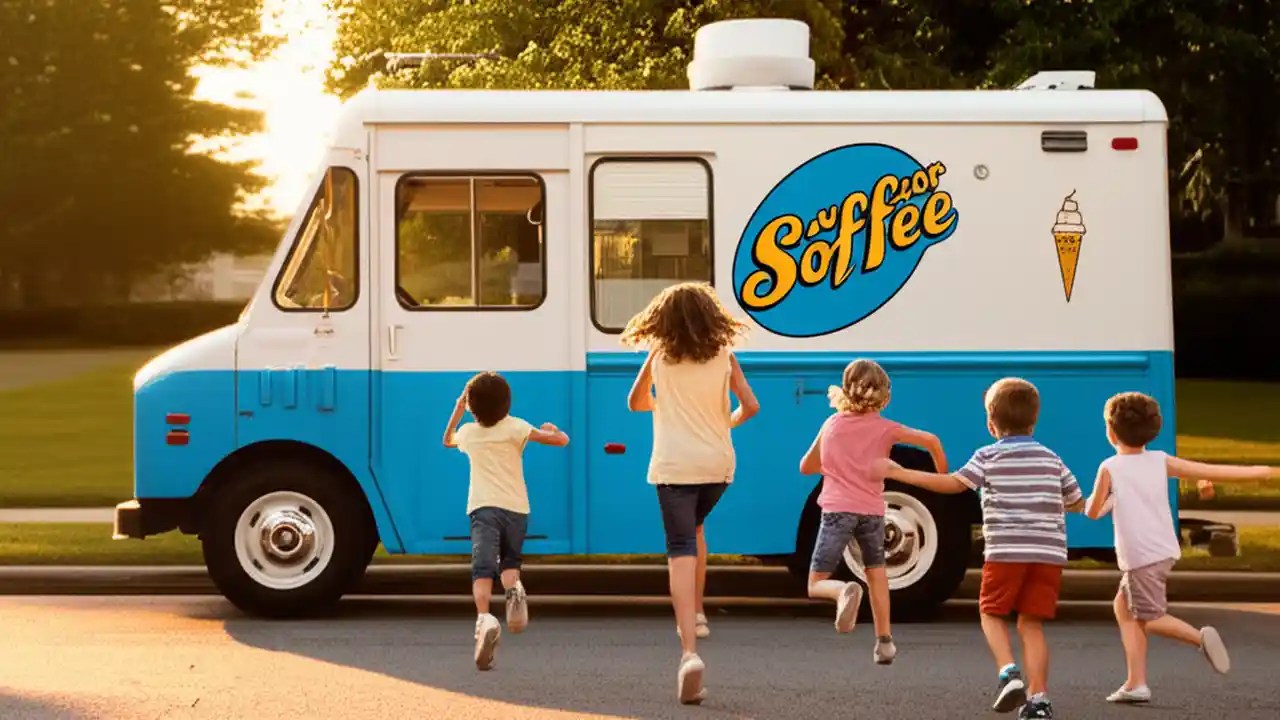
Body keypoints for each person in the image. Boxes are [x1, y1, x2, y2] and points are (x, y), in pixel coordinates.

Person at [883, 378, 1083, 719]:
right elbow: (1075, 501)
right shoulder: (1052, 458)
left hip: (1006, 552)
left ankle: (1008, 672)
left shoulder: (987, 456)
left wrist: (903, 474)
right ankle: (1040, 701)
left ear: (991, 424)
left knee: (991, 613)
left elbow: (953, 484)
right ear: (1034, 421)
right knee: (1031, 625)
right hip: (1048, 555)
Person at [1084, 391, 1278, 704]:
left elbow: (1092, 511)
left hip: (1140, 556)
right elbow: (1211, 471)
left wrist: (1101, 503)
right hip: (1163, 550)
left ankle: (1199, 638)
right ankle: (1136, 683)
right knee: (1124, 606)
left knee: (1149, 617)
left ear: (1110, 431)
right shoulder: (1161, 460)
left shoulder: (1110, 467)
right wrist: (1262, 473)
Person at [622, 281, 760, 705]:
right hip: (718, 467)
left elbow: (635, 403)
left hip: (674, 466)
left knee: (680, 545)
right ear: (709, 316)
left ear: (663, 319)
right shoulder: (725, 356)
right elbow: (751, 406)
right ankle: (698, 613)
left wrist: (663, 405)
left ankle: (688, 653)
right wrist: (724, 423)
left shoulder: (658, 357)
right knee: (697, 528)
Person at [797, 359, 946, 664]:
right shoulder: (886, 429)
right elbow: (931, 440)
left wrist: (835, 463)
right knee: (877, 575)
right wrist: (942, 475)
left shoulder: (832, 425)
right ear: (885, 398)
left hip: (837, 512)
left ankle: (841, 592)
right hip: (873, 514)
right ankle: (884, 642)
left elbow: (806, 467)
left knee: (815, 583)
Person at [442, 371, 569, 671]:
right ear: (506, 404)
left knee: (483, 568)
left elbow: (447, 439)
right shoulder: (516, 427)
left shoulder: (470, 434)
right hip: (516, 508)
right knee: (510, 564)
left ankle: (484, 618)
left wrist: (458, 409)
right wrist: (553, 429)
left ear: (472, 407)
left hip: (483, 508)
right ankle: (514, 593)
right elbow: (561, 441)